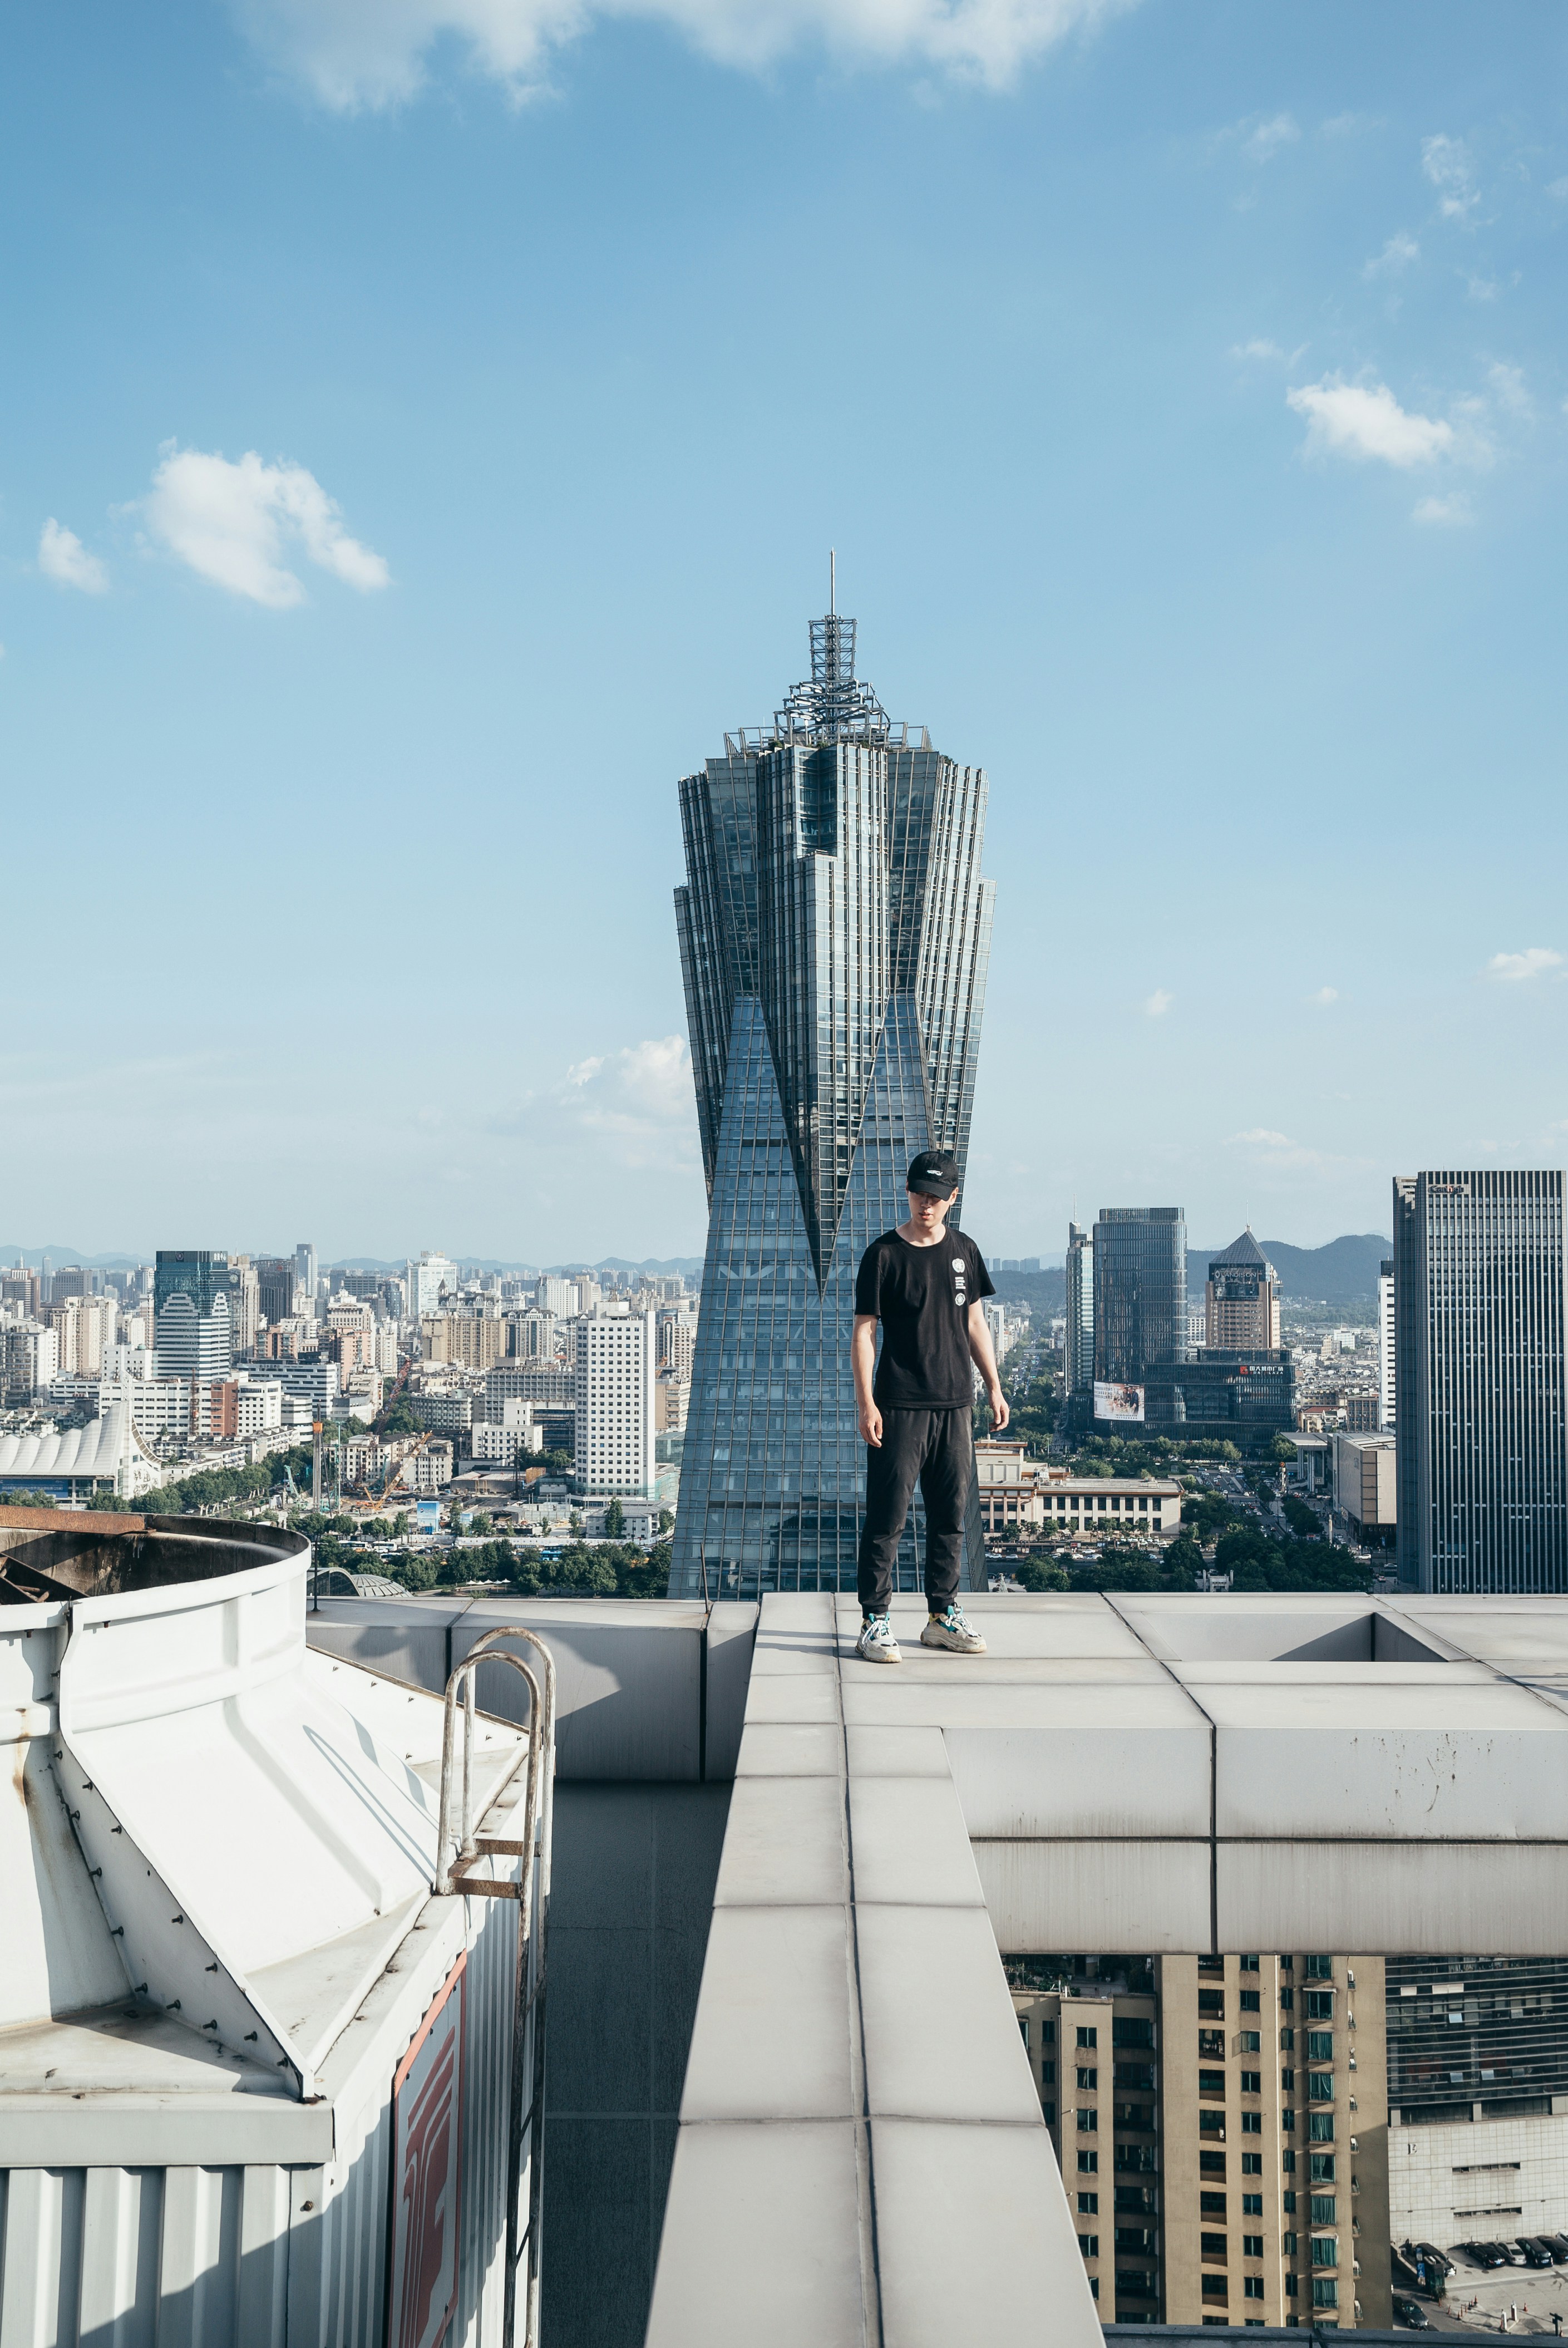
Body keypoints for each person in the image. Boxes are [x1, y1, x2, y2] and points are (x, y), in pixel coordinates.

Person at [851, 1148, 1008, 1663]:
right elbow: (864, 1332)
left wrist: (993, 1384)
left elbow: (975, 1323)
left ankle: (942, 1615)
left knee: (950, 1517)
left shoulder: (964, 1251)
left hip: (955, 1404)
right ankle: (875, 1620)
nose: (927, 1203)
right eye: (921, 1193)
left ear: (952, 1198)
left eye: (937, 1196)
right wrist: (866, 1401)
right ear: (908, 1190)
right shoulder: (884, 1254)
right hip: (899, 1403)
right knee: (888, 1516)